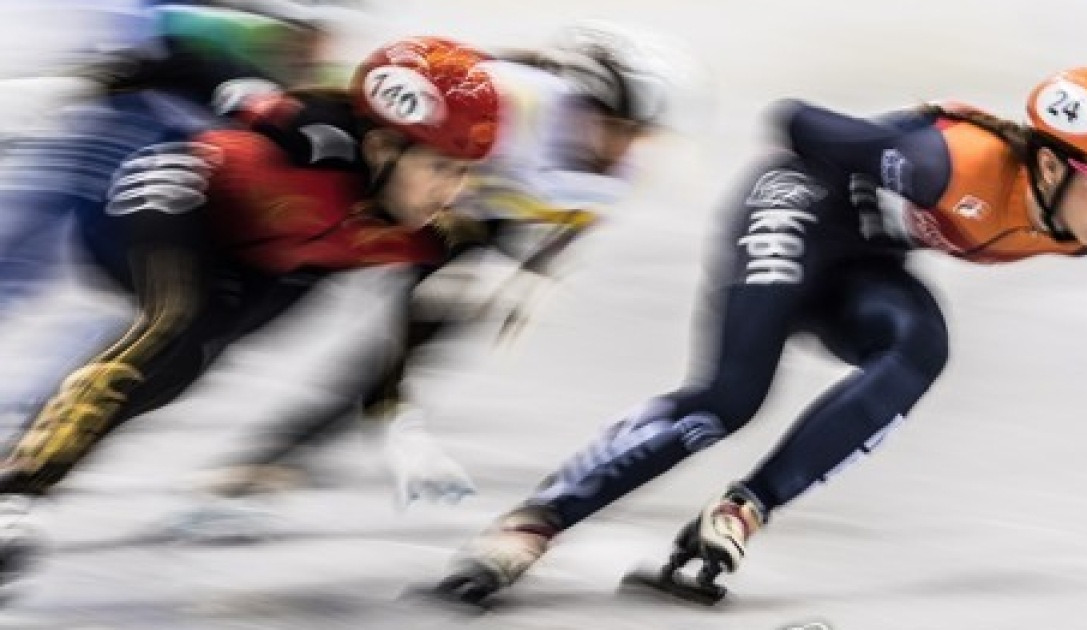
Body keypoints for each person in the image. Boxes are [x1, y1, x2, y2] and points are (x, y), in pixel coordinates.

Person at [432, 65, 1087, 605]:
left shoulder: (1070, 230)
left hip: (858, 262)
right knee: (730, 400)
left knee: (920, 347)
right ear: (1050, 163)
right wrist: (896, 136)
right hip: (792, 212)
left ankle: (741, 510)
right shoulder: (944, 165)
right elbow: (794, 122)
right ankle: (532, 524)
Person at [0, 35, 502, 589]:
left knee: (181, 370)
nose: (450, 193)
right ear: (383, 148)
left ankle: (24, 470)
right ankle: (17, 493)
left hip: (259, 261)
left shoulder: (447, 233)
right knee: (174, 327)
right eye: (439, 168)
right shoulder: (309, 134)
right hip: (171, 198)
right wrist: (82, 83)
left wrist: (391, 418)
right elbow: (192, 58)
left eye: (463, 172)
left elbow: (403, 339)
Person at [170, 21, 684, 531]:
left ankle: (265, 467)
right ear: (580, 103)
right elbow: (394, 99)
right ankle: (170, 360)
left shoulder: (624, 171)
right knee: (276, 304)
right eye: (616, 127)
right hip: (403, 196)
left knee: (396, 366)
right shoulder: (514, 97)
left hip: (470, 227)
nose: (623, 146)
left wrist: (532, 277)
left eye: (637, 134)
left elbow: (579, 217)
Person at [0, 0, 342, 415]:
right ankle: (47, 402)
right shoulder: (237, 41)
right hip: (138, 138)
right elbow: (169, 49)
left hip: (159, 156)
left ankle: (47, 403)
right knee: (29, 257)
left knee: (124, 301)